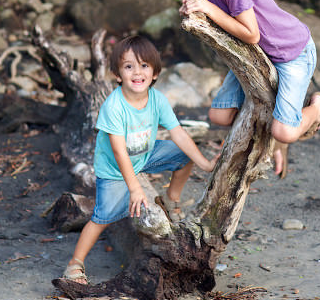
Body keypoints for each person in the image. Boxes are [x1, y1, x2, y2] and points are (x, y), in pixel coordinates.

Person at [151, 0, 320, 177]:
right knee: (219, 116)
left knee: (284, 130)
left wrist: (208, 9)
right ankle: (270, 140)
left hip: (291, 51)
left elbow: (251, 33)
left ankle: (313, 110)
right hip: (254, 55)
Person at [62, 34, 217, 285]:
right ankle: (74, 264)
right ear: (117, 73)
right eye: (128, 66)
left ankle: (172, 199)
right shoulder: (114, 106)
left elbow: (178, 133)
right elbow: (119, 151)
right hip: (114, 169)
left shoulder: (157, 99)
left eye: (144, 65)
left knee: (183, 156)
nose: (137, 72)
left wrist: (205, 163)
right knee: (102, 217)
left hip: (145, 155)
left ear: (155, 73)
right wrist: (134, 188)